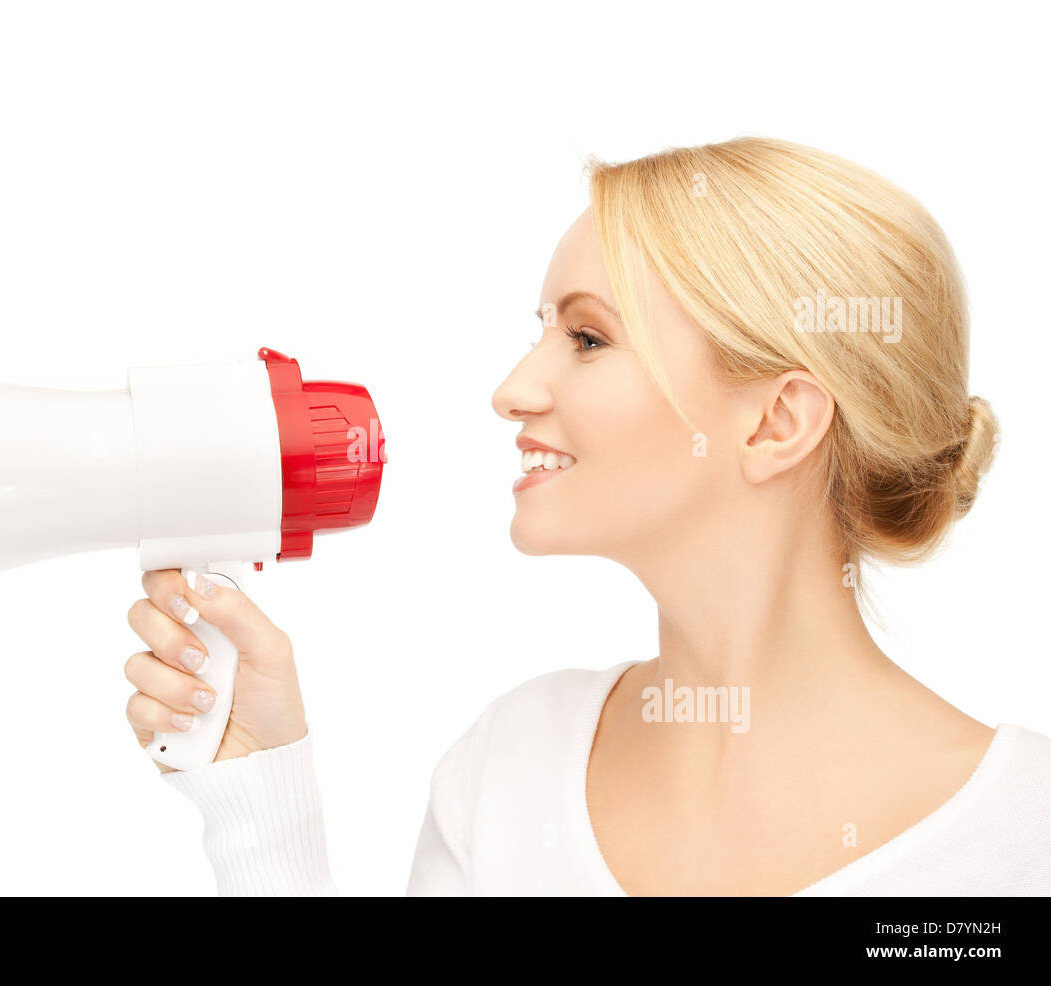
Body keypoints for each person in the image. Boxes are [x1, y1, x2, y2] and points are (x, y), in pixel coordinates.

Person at [122, 137, 1051, 896]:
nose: (513, 390)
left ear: (778, 421)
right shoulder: (510, 768)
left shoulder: (1022, 838)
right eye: (540, 332)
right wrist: (261, 801)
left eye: (588, 338)